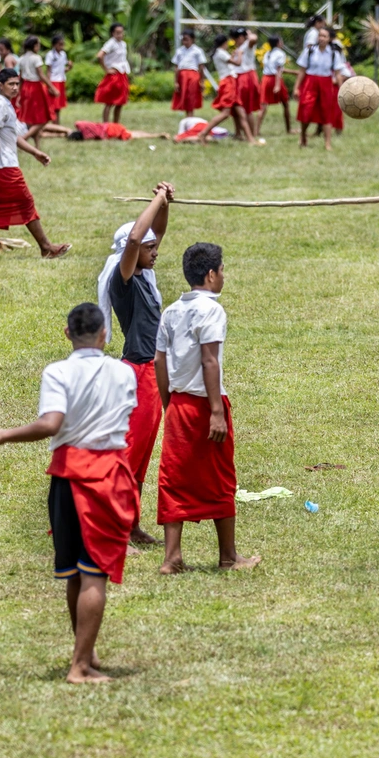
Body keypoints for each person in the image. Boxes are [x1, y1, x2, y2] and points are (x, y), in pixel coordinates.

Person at [0, 302, 139, 684]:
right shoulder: (123, 372)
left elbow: (52, 424)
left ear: (67, 334)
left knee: (74, 571)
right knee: (95, 573)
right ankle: (80, 666)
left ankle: (85, 651)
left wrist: (3, 434)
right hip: (106, 476)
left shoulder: (57, 372)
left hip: (65, 476)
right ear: (104, 334)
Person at [154, 241, 262, 573]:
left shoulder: (171, 311)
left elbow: (159, 360)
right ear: (212, 274)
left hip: (178, 404)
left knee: (173, 477)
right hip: (206, 404)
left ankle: (172, 558)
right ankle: (228, 556)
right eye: (223, 270)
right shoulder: (212, 310)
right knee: (220, 475)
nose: (224, 276)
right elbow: (209, 360)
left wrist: (169, 404)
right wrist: (216, 411)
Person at [98, 183, 174, 545]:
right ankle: (111, 527)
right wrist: (155, 199)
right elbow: (134, 239)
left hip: (152, 373)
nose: (155, 252)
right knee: (129, 454)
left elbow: (152, 233)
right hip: (138, 373)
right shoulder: (123, 279)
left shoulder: (145, 274)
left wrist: (165, 203)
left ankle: (130, 524)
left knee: (141, 455)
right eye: (150, 248)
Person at [0, 69, 70, 261]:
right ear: (0, 85)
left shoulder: (6, 104)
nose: (15, 88)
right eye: (10, 84)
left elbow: (13, 136)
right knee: (25, 203)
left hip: (0, 166)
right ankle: (46, 247)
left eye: (17, 84)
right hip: (3, 167)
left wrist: (35, 152)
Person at [296, 30, 346, 150]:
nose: (321, 38)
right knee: (306, 110)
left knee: (326, 113)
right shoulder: (309, 51)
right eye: (320, 36)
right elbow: (302, 71)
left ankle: (327, 143)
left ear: (329, 39)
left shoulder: (333, 53)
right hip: (310, 83)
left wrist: (342, 89)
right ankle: (303, 136)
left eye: (324, 36)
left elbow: (338, 74)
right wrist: (296, 87)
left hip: (326, 83)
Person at [17, 35, 53, 137]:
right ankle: (24, 138)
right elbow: (41, 75)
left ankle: (37, 144)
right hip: (36, 87)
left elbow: (20, 78)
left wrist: (19, 94)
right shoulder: (36, 58)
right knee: (42, 118)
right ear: (35, 46)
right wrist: (52, 87)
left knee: (31, 118)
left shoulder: (21, 59)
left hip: (25, 87)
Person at [95, 23, 131, 124]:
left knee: (120, 102)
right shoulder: (111, 43)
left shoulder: (123, 44)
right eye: (117, 33)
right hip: (114, 75)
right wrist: (106, 69)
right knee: (110, 101)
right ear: (112, 33)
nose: (120, 35)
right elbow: (100, 55)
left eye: (121, 33)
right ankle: (106, 124)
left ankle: (116, 124)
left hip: (122, 74)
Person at [258, 36, 295, 135]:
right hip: (275, 79)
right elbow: (278, 69)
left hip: (265, 79)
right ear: (278, 43)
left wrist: (294, 72)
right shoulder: (280, 53)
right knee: (285, 103)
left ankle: (256, 131)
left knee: (263, 105)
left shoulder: (268, 53)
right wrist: (277, 85)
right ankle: (289, 129)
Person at [233, 27, 263, 132]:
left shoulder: (247, 45)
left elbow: (253, 39)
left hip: (246, 77)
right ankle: (238, 132)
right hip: (238, 77)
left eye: (238, 37)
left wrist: (248, 33)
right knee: (237, 107)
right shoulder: (238, 49)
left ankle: (251, 133)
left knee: (247, 108)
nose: (236, 40)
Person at [171, 30, 206, 116]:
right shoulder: (179, 51)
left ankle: (190, 117)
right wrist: (176, 82)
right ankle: (188, 117)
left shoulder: (197, 51)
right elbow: (176, 67)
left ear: (192, 39)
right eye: (183, 40)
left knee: (191, 96)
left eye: (187, 39)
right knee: (184, 97)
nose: (185, 42)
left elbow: (201, 67)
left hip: (193, 76)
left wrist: (202, 81)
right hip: (182, 76)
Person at [45, 33, 69, 122]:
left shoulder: (63, 54)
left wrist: (69, 67)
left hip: (61, 80)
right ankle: (54, 123)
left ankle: (57, 124)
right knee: (53, 105)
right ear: (54, 45)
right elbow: (48, 70)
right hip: (53, 81)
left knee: (58, 106)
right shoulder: (50, 55)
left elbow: (62, 69)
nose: (62, 46)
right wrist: (49, 85)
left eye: (63, 44)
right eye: (60, 44)